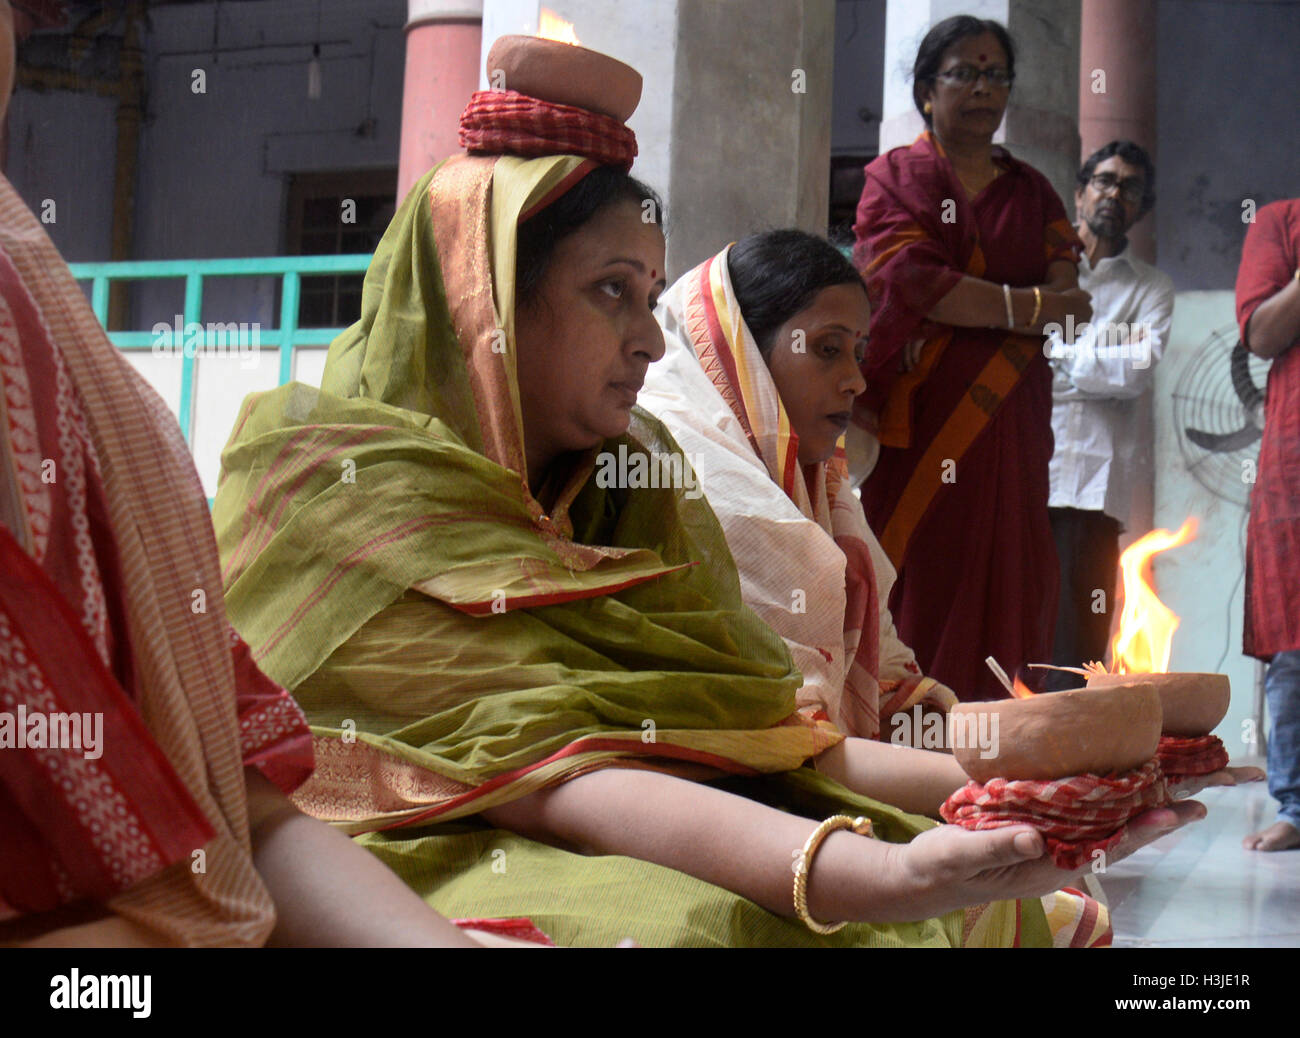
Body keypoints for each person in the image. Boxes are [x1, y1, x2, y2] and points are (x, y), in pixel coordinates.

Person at [212, 64, 1209, 947]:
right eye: (612, 291)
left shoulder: (629, 486)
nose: (649, 340)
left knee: (949, 891)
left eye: (650, 295)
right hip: (408, 834)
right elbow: (558, 770)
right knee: (711, 925)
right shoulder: (346, 491)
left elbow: (758, 735)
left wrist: (1040, 780)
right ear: (486, 303)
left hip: (676, 806)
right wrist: (871, 859)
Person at [0, 0, 489, 947]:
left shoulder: (76, 365)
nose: (645, 339)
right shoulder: (327, 474)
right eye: (610, 291)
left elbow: (238, 809)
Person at [852, 15, 1092, 701]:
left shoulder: (1032, 190)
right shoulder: (898, 177)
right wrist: (1027, 309)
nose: (984, 88)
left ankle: (1001, 744)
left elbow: (1072, 300)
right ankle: (905, 734)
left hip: (1015, 413)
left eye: (996, 75)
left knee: (1014, 566)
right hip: (927, 415)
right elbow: (914, 283)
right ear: (929, 89)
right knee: (925, 568)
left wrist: (988, 307)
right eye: (965, 72)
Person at [640, 230, 956, 740]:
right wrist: (990, 768)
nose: (857, 380)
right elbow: (796, 744)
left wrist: (1019, 739)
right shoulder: (701, 486)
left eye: (859, 352)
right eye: (828, 349)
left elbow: (889, 688)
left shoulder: (821, 492)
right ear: (743, 352)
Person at [1045, 141, 1174, 690]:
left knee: (1078, 644)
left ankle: (1065, 765)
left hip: (1096, 492)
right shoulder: (1042, 270)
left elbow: (1136, 371)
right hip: (1028, 473)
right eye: (1105, 180)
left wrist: (1058, 354)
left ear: (1141, 207)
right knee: (1014, 620)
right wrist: (1097, 367)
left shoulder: (1151, 288)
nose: (1115, 194)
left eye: (1130, 187)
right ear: (1080, 191)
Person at [1236, 197, 1300, 853]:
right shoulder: (1280, 221)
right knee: (1296, 640)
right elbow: (1259, 333)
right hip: (1297, 463)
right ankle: (1298, 805)